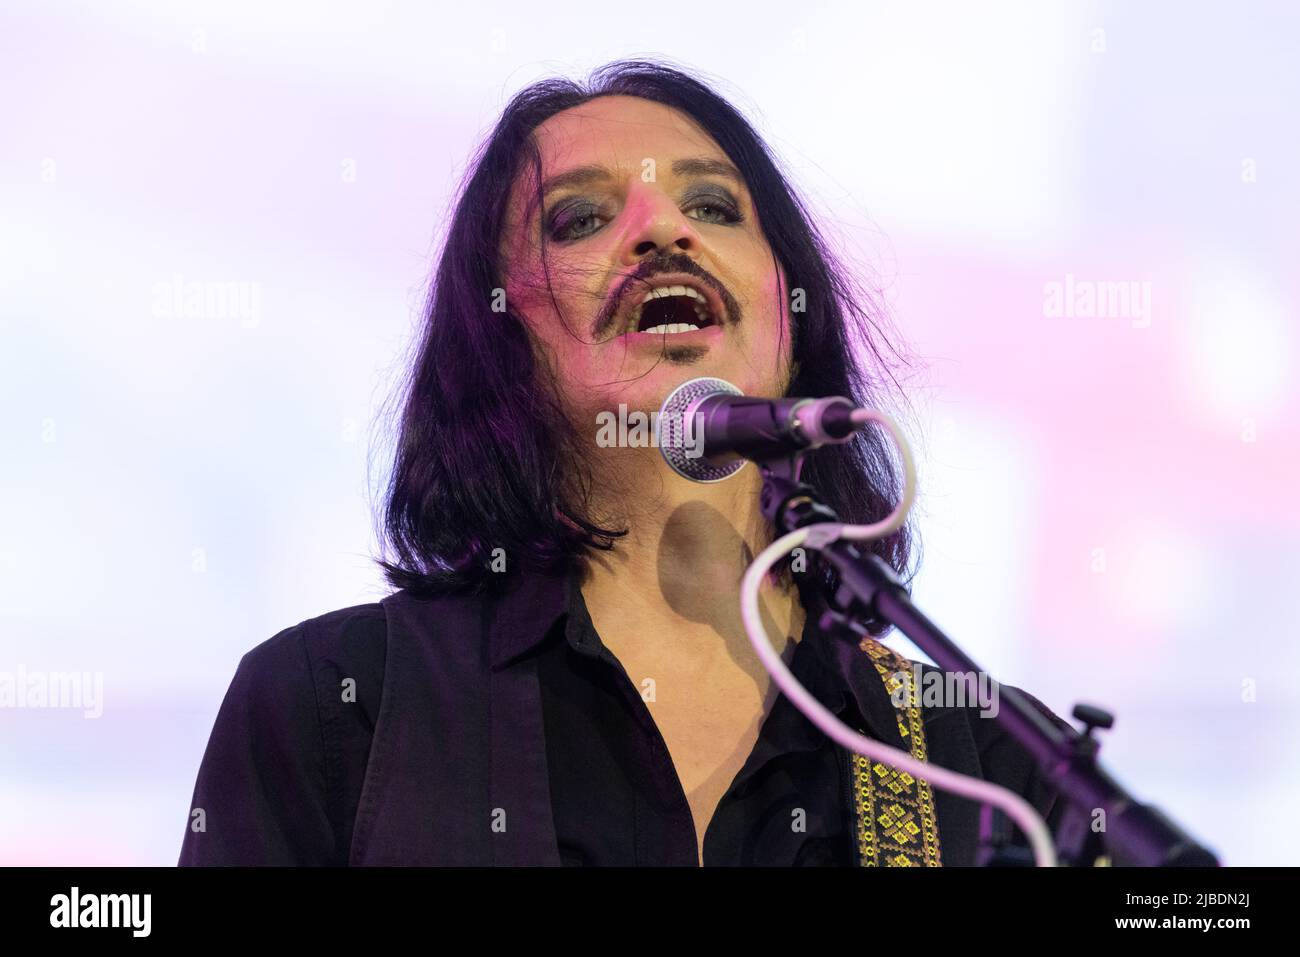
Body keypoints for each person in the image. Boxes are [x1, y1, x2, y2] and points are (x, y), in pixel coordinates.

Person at [179, 59, 1073, 867]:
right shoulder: (334, 706)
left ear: (789, 313)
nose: (662, 232)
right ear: (499, 335)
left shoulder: (988, 767)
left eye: (715, 207)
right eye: (580, 219)